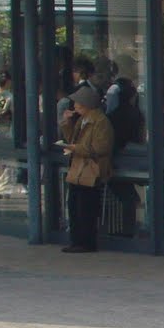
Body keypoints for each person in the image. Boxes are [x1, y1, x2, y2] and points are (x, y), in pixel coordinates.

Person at [60, 85, 112, 253]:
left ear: (86, 104)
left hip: (91, 170)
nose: (74, 106)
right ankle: (76, 240)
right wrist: (66, 123)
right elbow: (72, 139)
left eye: (77, 103)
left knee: (86, 208)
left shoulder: (100, 121)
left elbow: (101, 148)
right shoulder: (82, 121)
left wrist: (76, 148)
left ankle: (86, 242)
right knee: (74, 205)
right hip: (78, 169)